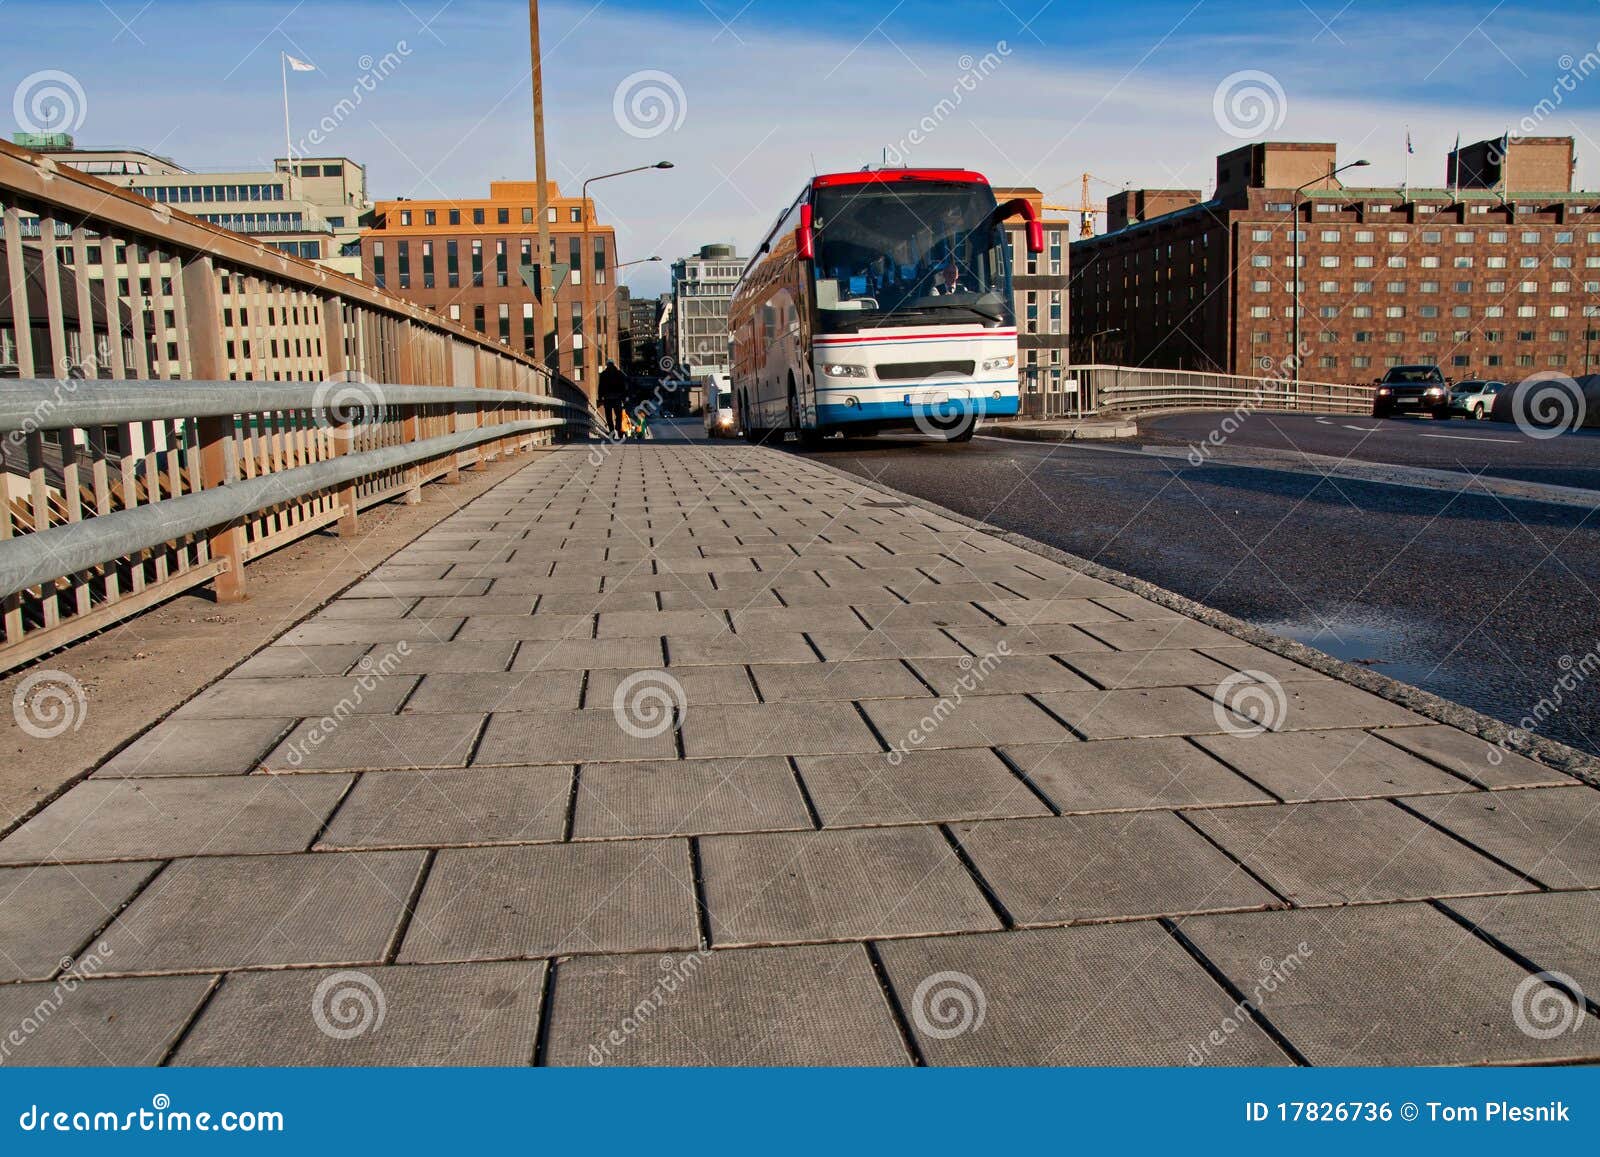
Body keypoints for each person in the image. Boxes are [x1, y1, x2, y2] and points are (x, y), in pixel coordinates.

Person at [597, 360, 629, 437]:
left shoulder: (603, 374)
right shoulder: (619, 374)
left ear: (607, 365)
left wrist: (600, 397)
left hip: (607, 398)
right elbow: (624, 387)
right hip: (617, 398)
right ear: (614, 365)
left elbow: (601, 387)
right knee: (618, 415)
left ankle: (612, 432)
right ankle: (619, 429)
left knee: (609, 416)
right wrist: (624, 398)